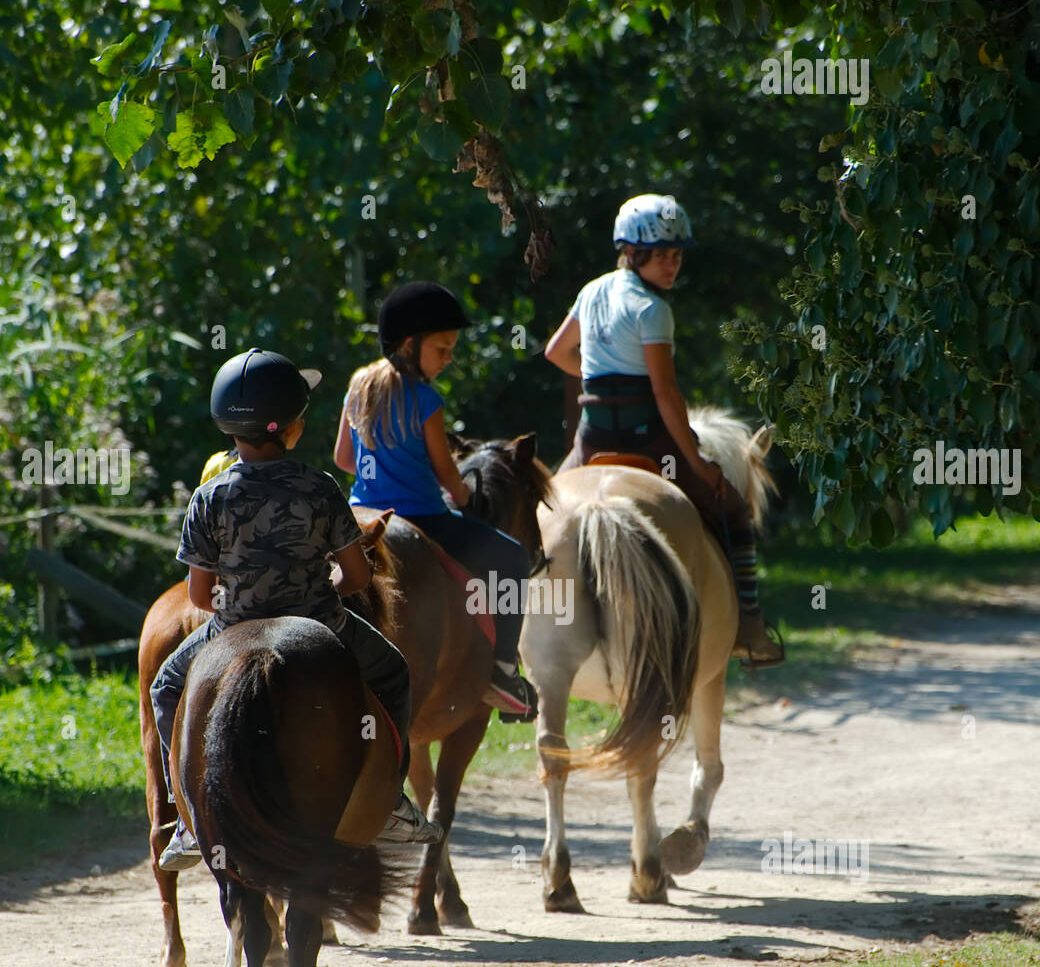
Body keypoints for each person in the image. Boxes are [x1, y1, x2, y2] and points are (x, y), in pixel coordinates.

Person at [151, 347, 442, 872]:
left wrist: (239, 597)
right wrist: (323, 578)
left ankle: (187, 814)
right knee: (394, 673)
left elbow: (198, 596)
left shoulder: (208, 496)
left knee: (166, 687)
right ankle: (394, 804)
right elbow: (356, 577)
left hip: (232, 623)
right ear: (290, 429)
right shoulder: (320, 486)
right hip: (320, 621)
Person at [544, 194, 784, 667]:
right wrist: (699, 464)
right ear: (633, 252)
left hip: (590, 443)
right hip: (647, 442)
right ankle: (750, 626)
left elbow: (555, 352)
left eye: (677, 255)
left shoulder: (591, 292)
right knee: (732, 508)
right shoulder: (653, 310)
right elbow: (666, 395)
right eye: (663, 254)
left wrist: (593, 375)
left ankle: (510, 632)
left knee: (541, 514)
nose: (673, 264)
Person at [333, 281, 538, 719]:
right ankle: (503, 669)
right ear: (410, 345)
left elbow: (344, 459)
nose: (448, 358)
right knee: (513, 558)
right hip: (423, 516)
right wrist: (465, 501)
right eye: (443, 349)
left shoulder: (358, 387)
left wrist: (381, 469)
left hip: (357, 514)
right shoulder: (427, 399)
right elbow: (446, 471)